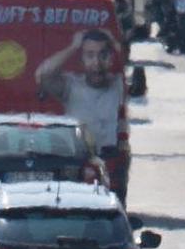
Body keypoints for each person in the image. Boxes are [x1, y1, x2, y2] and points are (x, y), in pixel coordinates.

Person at [36, 26, 131, 200]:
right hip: (76, 163)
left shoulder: (117, 85)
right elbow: (42, 75)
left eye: (103, 55)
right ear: (81, 60)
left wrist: (114, 41)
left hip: (108, 164)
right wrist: (73, 47)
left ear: (110, 59)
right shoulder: (71, 86)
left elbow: (125, 61)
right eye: (90, 55)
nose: (97, 63)